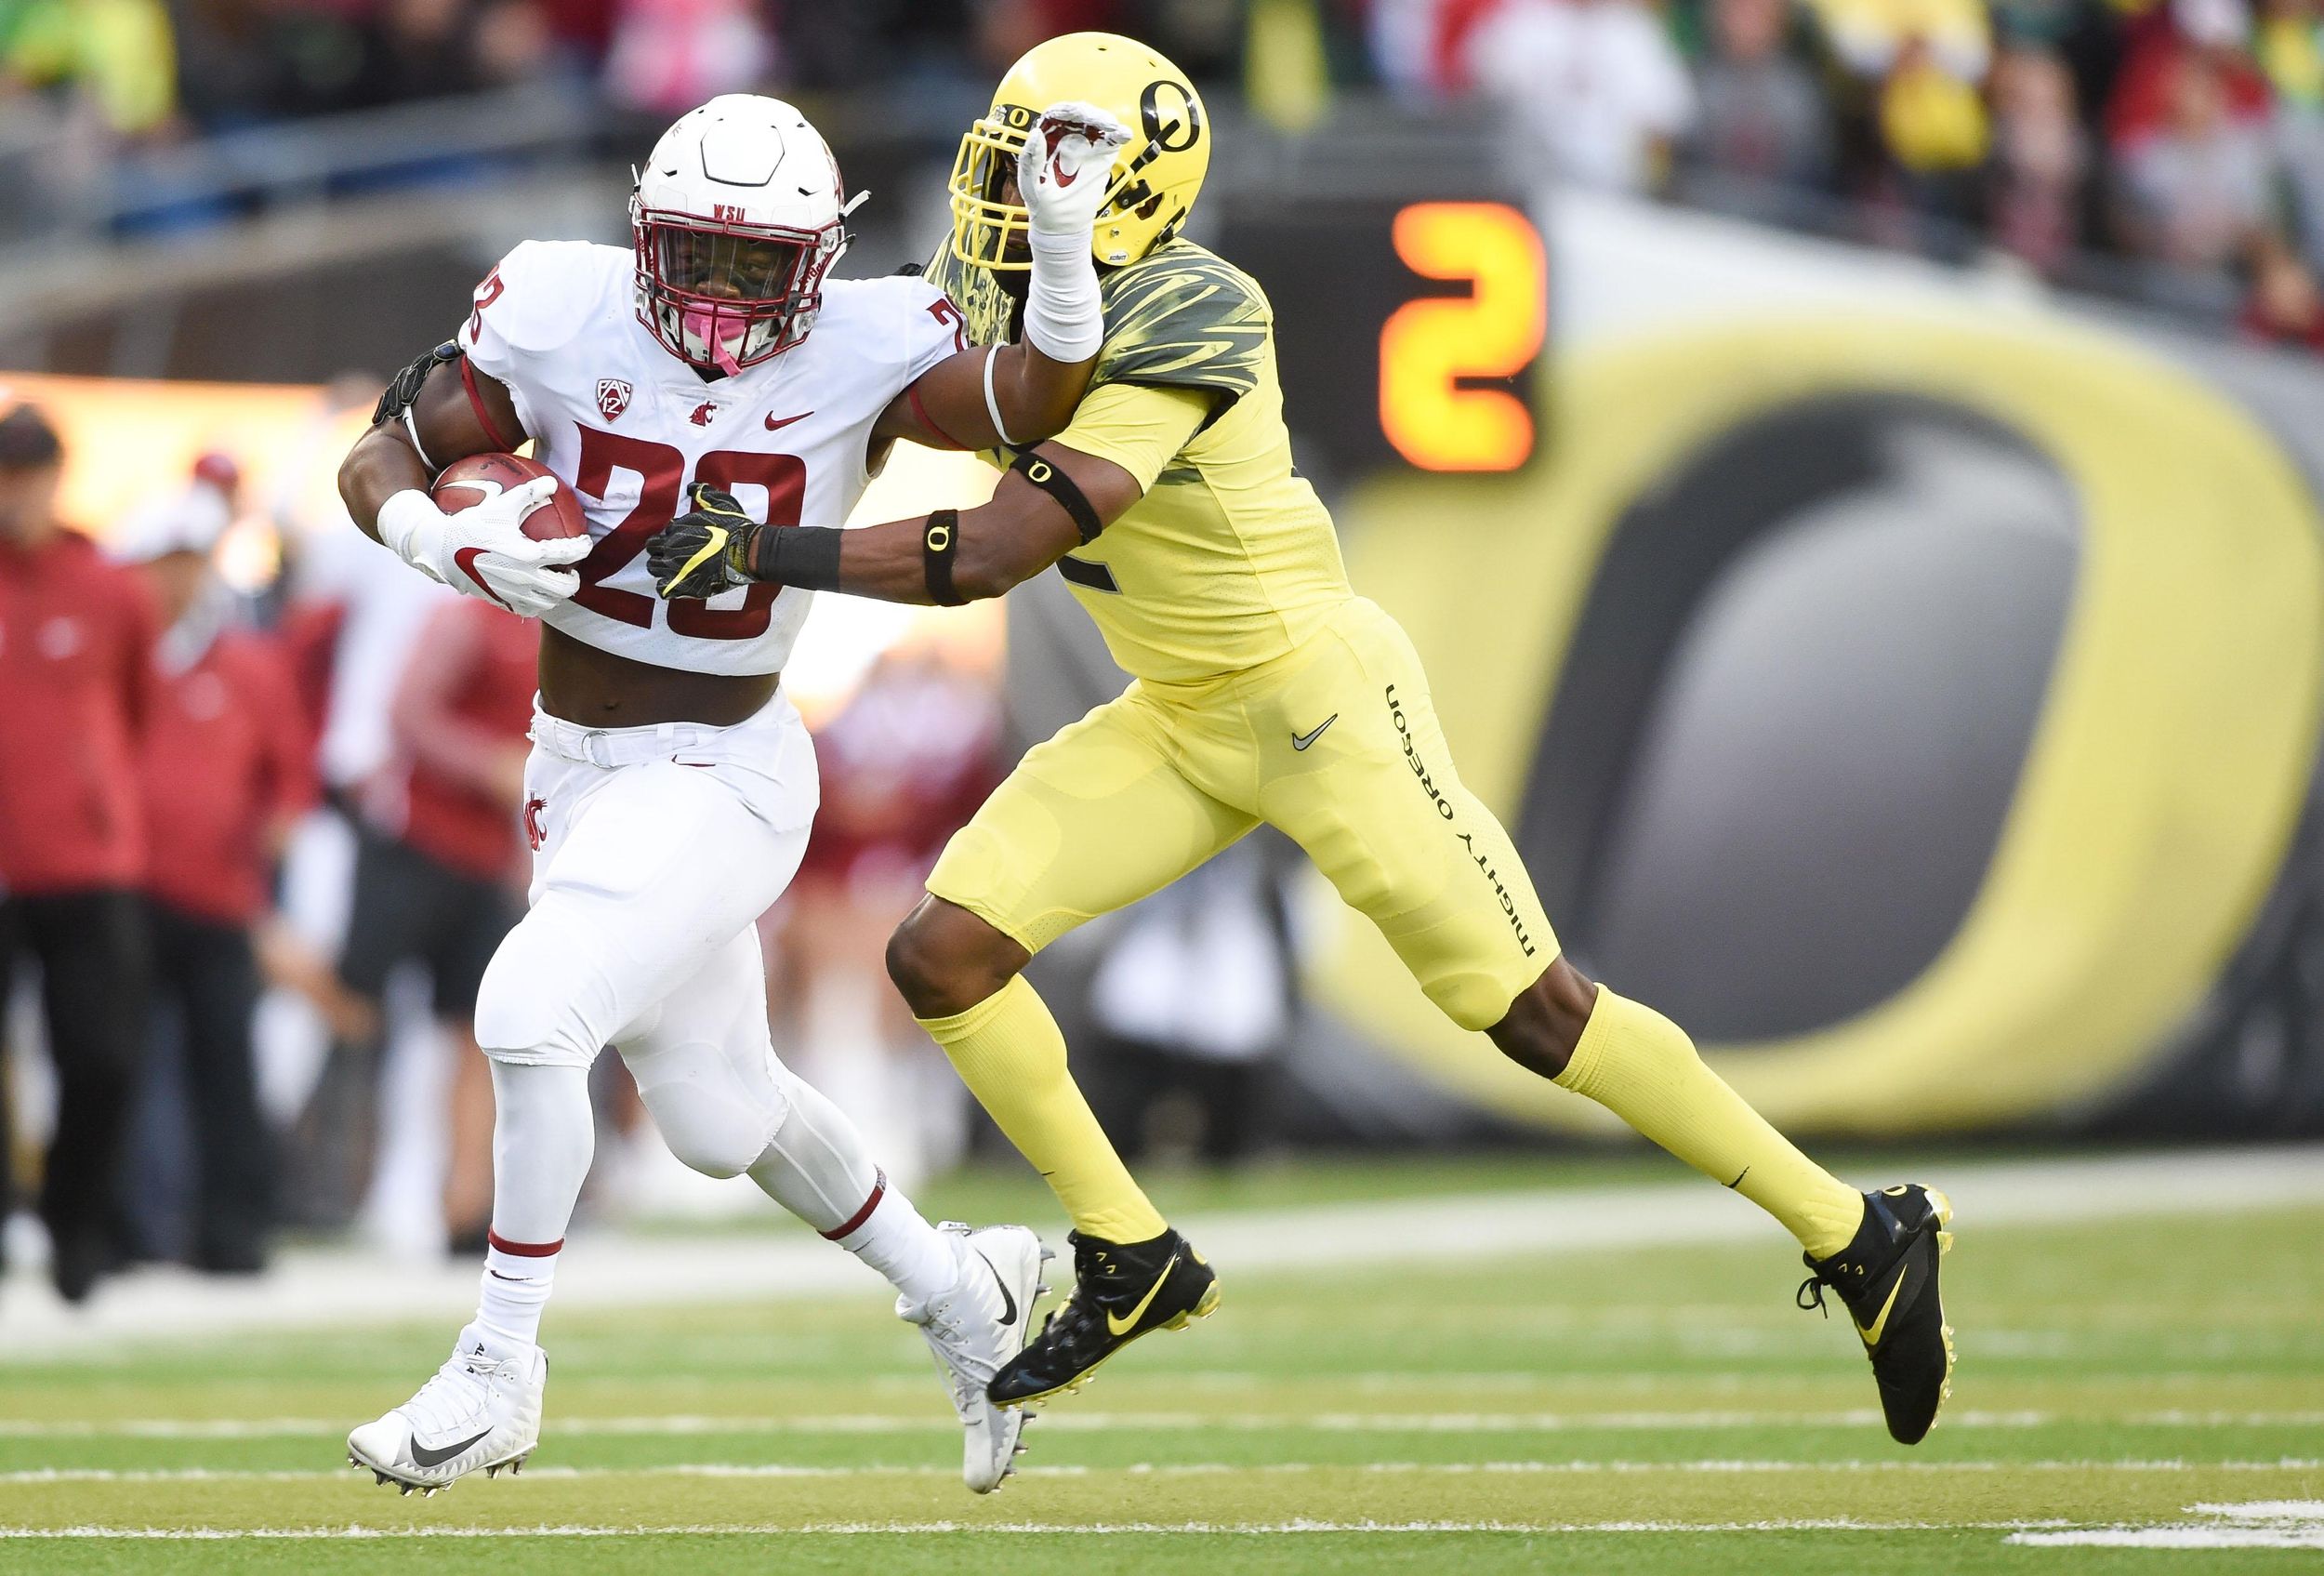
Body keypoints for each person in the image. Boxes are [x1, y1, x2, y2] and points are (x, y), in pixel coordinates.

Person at [649, 33, 1959, 1448]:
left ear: (1130, 192)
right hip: (1177, 711)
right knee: (944, 953)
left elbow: (999, 548)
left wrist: (763, 548)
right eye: (1014, 161)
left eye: (1057, 166)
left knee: (1537, 1014)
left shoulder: (1190, 311)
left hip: (1314, 701)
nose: (1017, 192)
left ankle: (1856, 1230)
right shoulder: (1003, 295)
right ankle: (1130, 1249)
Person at [334, 91, 1127, 1495]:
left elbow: (1035, 397)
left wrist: (1059, 253)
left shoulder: (872, 338)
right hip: (572, 767)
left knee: (527, 1012)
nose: (719, 293)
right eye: (697, 252)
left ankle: (499, 1365)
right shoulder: (560, 306)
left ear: (819, 260)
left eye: (757, 264)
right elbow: (382, 451)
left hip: (722, 767)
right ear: (643, 232)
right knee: (714, 1112)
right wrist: (436, 542)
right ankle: (964, 1288)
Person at [120, 464, 319, 1274]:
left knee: (224, 1066)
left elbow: (291, 772)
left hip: (219, 894)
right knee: (124, 1065)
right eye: (163, 561)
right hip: (124, 893)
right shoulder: (119, 656)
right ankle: (130, 1229)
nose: (176, 578)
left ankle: (231, 1231)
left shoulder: (247, 662)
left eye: (189, 559)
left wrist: (277, 834)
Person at [294, 597, 535, 1250]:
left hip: (487, 859)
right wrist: (488, 763)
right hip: (413, 840)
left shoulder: (562, 628)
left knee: (477, 1032)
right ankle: (326, 1180)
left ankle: (464, 1203)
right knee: (359, 1009)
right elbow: (408, 712)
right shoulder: (471, 618)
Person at [0, 403, 158, 1305]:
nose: (18, 493)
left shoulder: (105, 586)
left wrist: (95, 800)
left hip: (86, 863)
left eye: (31, 474)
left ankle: (75, 1219)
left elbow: (136, 708)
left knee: (101, 1054)